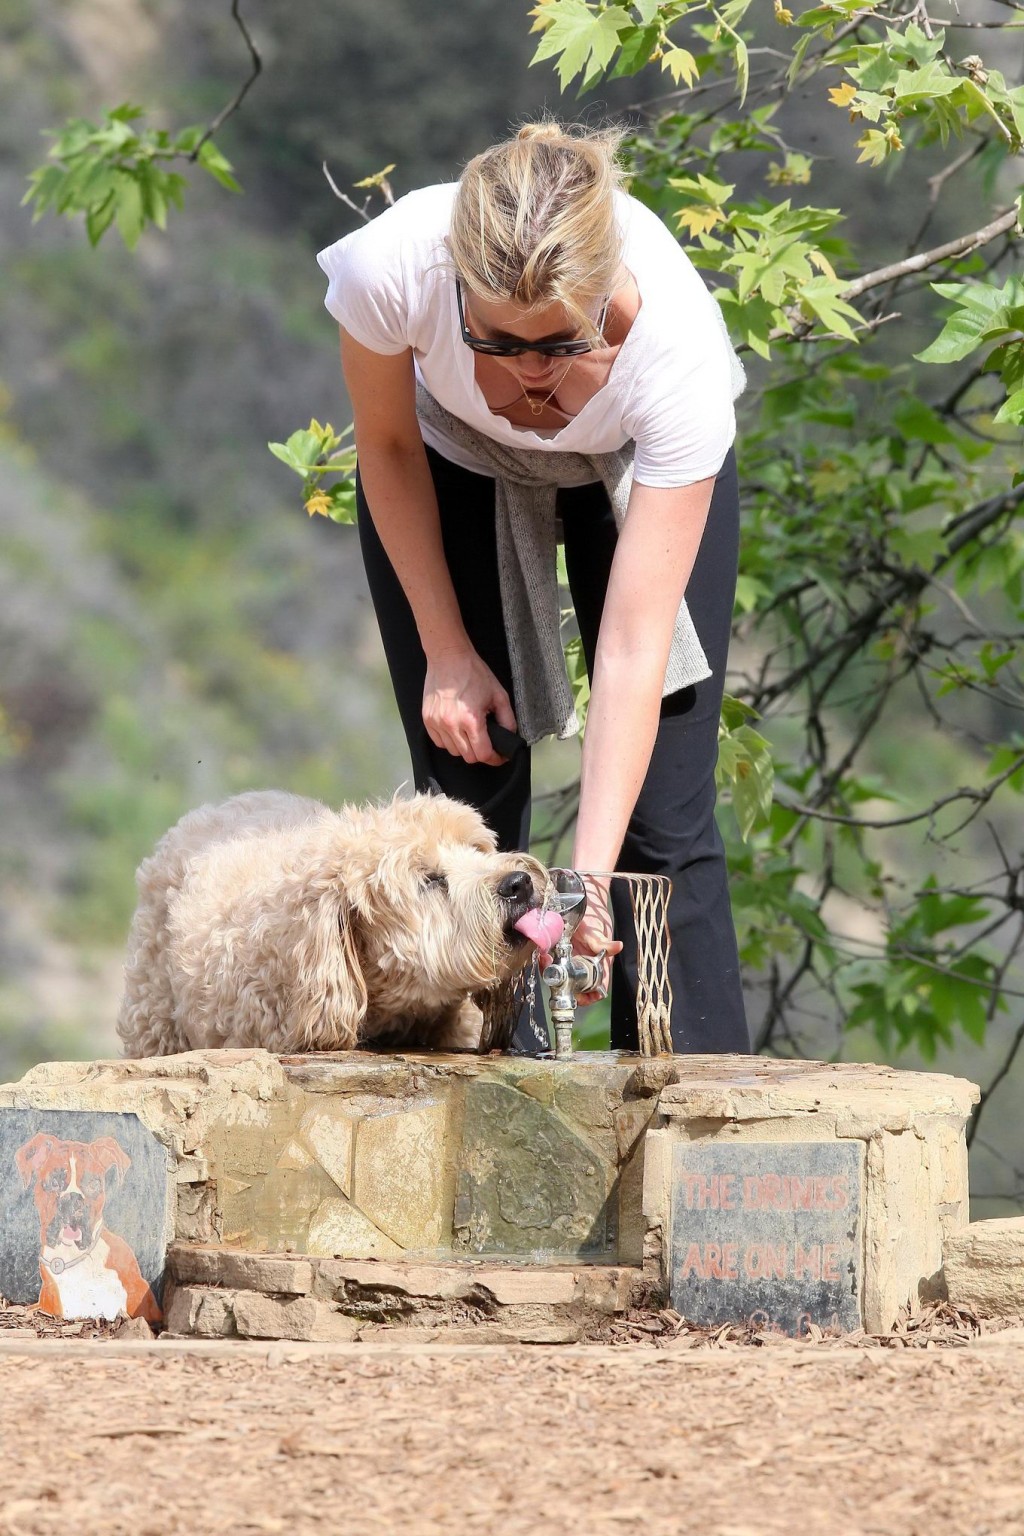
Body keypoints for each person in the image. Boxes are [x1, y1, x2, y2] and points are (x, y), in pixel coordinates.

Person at [317, 120, 750, 1055]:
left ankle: (701, 1118)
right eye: (498, 340)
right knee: (467, 785)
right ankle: (481, 1093)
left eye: (560, 341)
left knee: (660, 828)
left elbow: (635, 653)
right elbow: (387, 448)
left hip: (628, 469)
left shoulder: (677, 359)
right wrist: (445, 651)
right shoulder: (390, 270)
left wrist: (585, 884)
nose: (531, 371)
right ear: (454, 283)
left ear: (603, 292)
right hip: (450, 461)